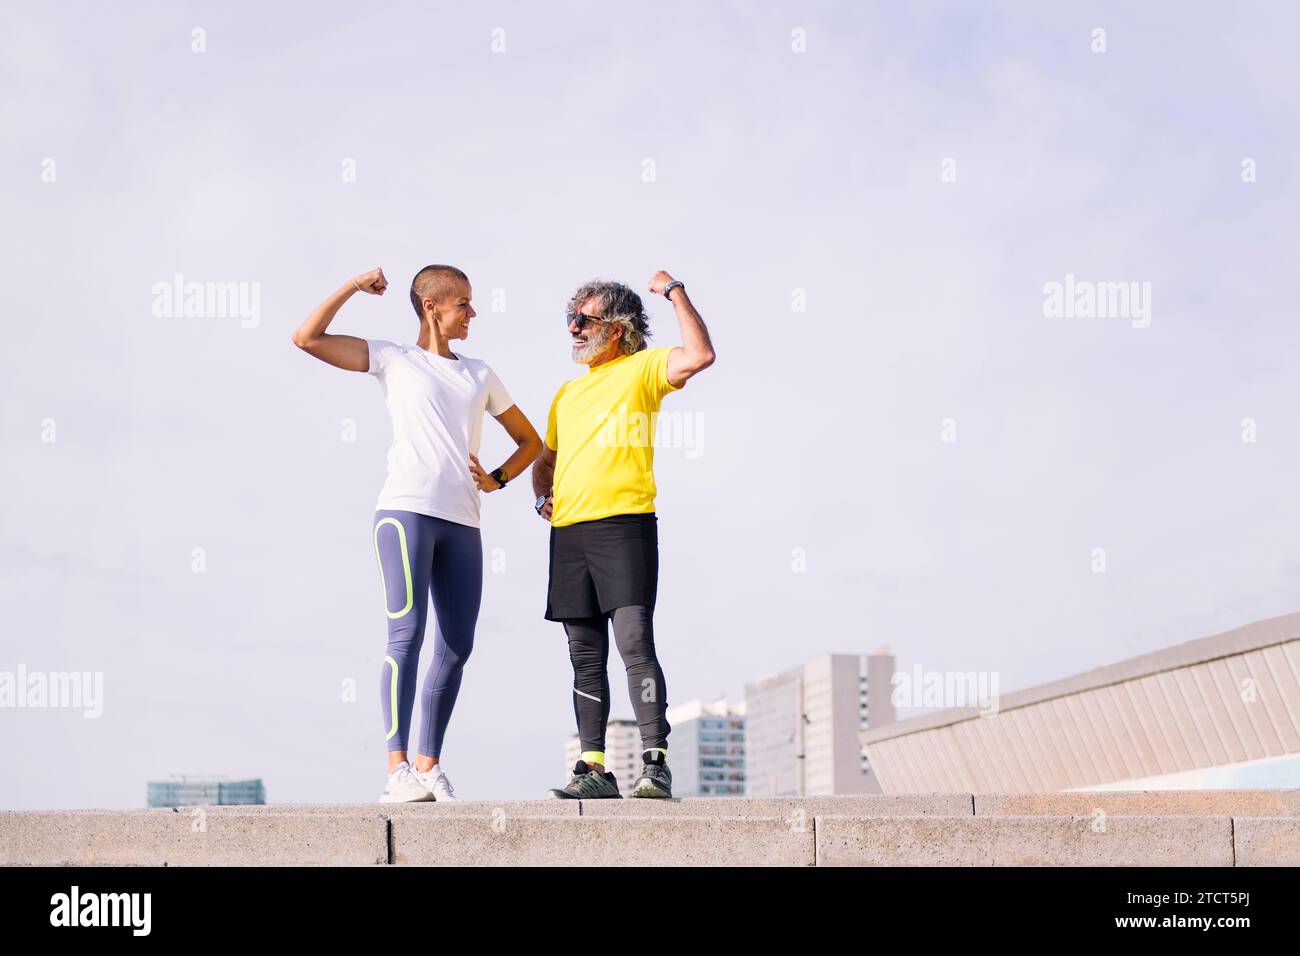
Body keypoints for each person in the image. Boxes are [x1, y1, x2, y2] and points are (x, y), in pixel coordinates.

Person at [294, 265, 541, 802]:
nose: (473, 313)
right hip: (404, 513)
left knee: (457, 646)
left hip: (464, 522)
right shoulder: (392, 358)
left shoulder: (481, 373)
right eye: (464, 304)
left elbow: (531, 440)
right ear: (433, 307)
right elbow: (306, 338)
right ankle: (396, 770)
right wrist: (352, 287)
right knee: (406, 635)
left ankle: (429, 766)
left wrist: (497, 479)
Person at [532, 271, 715, 799]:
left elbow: (700, 355)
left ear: (617, 328)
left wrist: (676, 290)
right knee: (583, 655)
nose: (571, 329)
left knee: (634, 644)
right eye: (569, 319)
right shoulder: (566, 393)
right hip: (569, 534)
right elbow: (547, 458)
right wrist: (541, 495)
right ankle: (593, 769)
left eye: (582, 320)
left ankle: (654, 762)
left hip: (623, 526)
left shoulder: (644, 368)